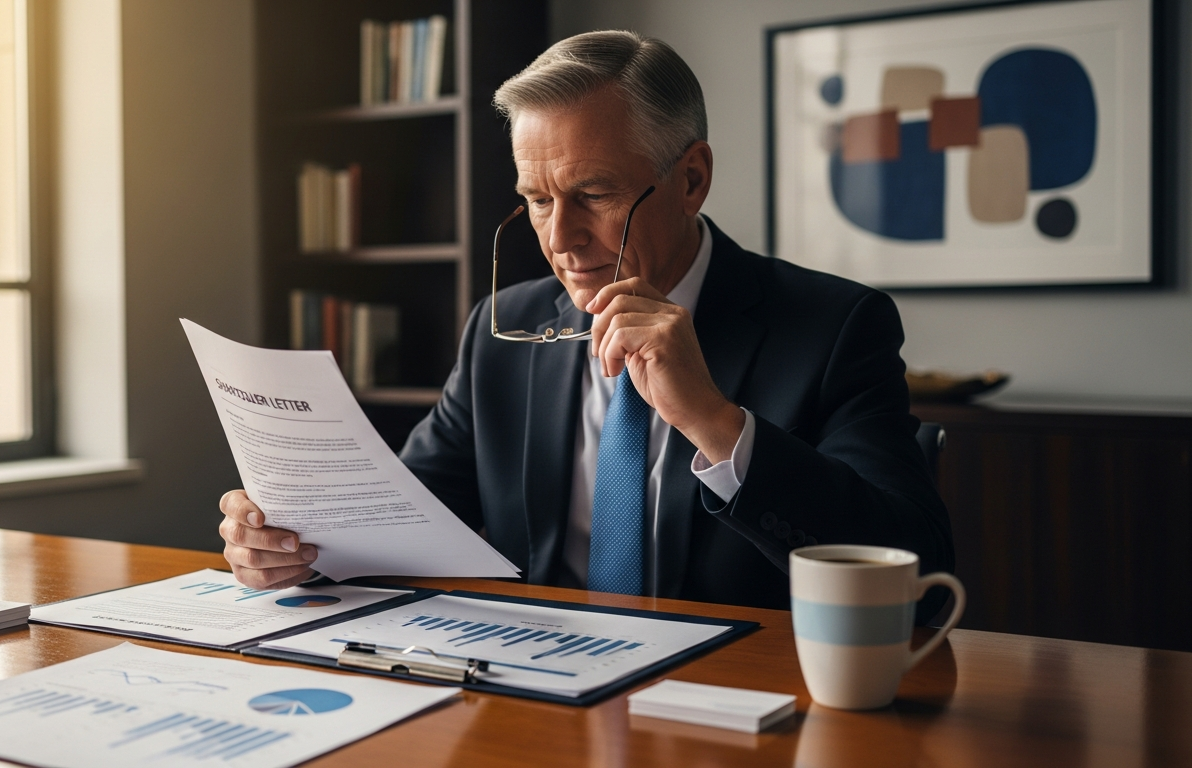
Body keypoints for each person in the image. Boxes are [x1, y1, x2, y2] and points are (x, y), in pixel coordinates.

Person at [218, 31, 954, 617]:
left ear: (691, 178)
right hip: (534, 687)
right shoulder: (501, 328)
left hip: (734, 701)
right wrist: (292, 542)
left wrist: (715, 422)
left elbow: (914, 569)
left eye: (594, 192)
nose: (561, 238)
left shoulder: (835, 327)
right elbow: (404, 516)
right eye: (537, 199)